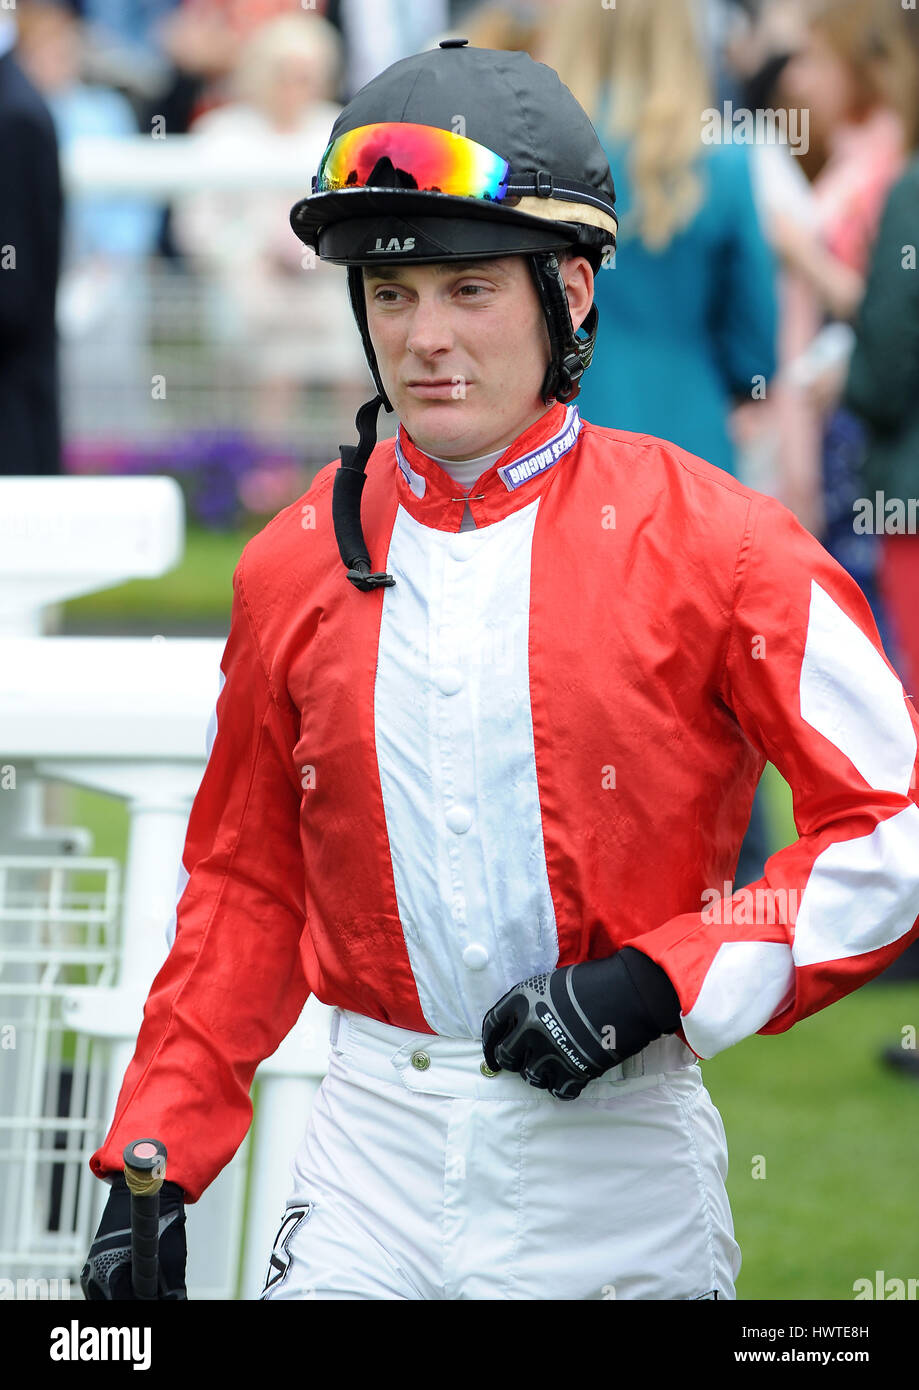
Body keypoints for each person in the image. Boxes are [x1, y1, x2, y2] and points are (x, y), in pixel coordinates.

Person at [81, 39, 919, 1303]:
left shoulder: (722, 541)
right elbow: (246, 883)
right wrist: (154, 1157)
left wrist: (662, 979)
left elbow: (891, 829)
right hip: (369, 1156)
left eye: (469, 289)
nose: (425, 338)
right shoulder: (292, 560)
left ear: (570, 294)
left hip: (618, 1165)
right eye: (391, 292)